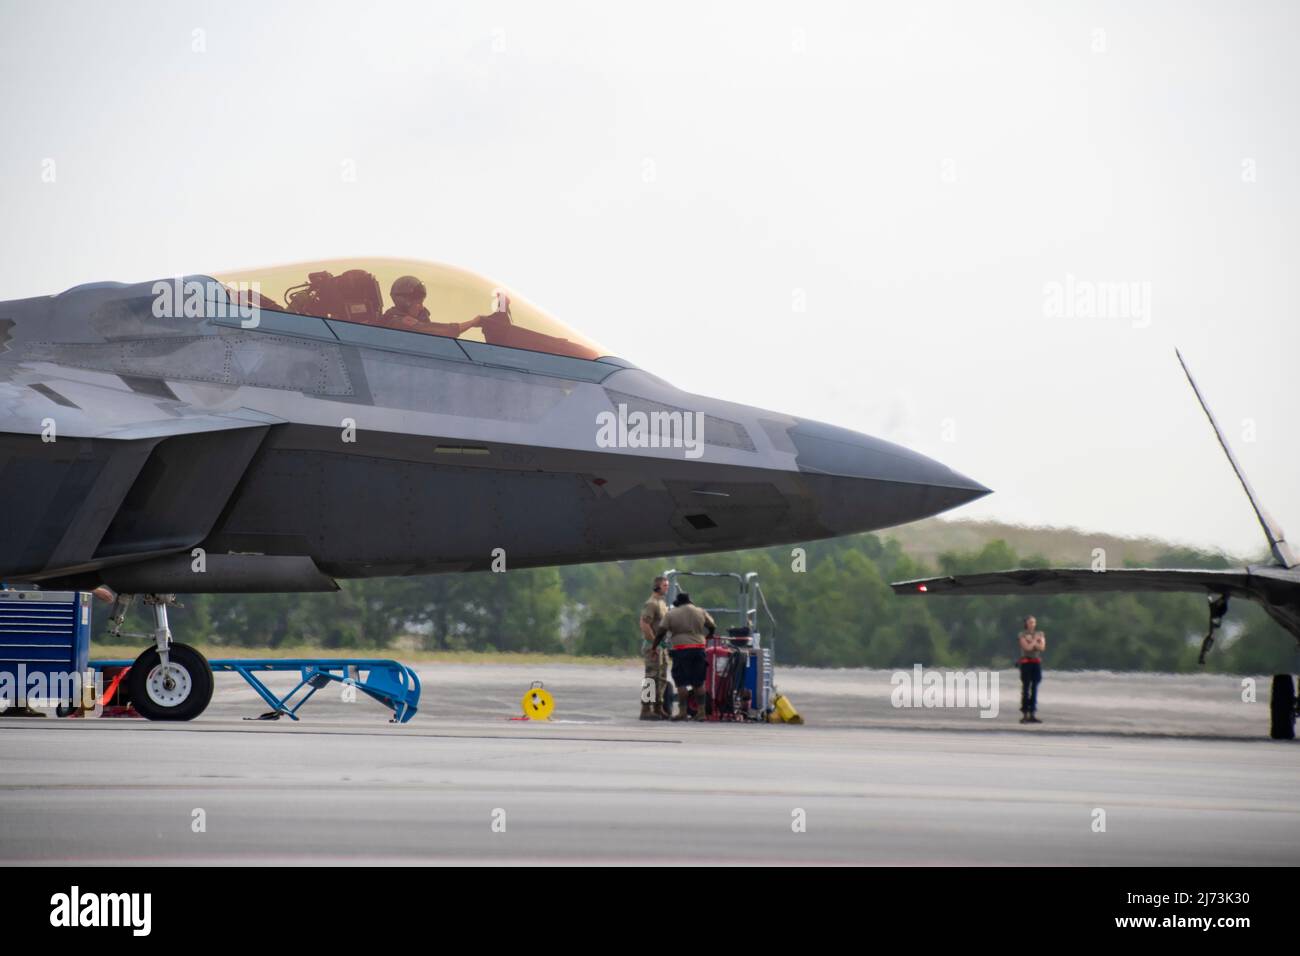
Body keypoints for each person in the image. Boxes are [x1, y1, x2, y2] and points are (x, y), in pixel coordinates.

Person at [664, 592, 714, 721]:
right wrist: (708, 636)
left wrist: (655, 645)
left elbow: (661, 630)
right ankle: (701, 712)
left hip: (680, 650)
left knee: (681, 682)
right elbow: (712, 626)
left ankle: (682, 712)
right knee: (699, 683)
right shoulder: (700, 611)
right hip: (698, 649)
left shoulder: (671, 613)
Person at [380, 275, 470, 336]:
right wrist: (473, 322)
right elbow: (436, 331)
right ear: (405, 303)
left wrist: (423, 317)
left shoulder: (394, 316)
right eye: (418, 303)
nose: (422, 307)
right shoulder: (398, 322)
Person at [639, 576, 672, 720]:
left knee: (662, 677)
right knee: (651, 677)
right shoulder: (651, 604)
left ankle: (658, 707)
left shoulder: (662, 603)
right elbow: (644, 625)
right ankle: (646, 709)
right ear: (657, 587)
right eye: (665, 585)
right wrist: (654, 644)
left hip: (662, 645)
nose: (667, 587)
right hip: (653, 645)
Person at [1018, 615, 1046, 724]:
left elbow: (1042, 647)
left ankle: (1032, 713)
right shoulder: (1022, 635)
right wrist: (1035, 641)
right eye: (1030, 622)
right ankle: (1025, 713)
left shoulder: (1040, 634)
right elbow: (1027, 648)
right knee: (1025, 688)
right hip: (1026, 663)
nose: (1032, 624)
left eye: (1033, 622)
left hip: (1036, 663)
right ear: (1026, 624)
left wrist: (1032, 641)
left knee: (1035, 687)